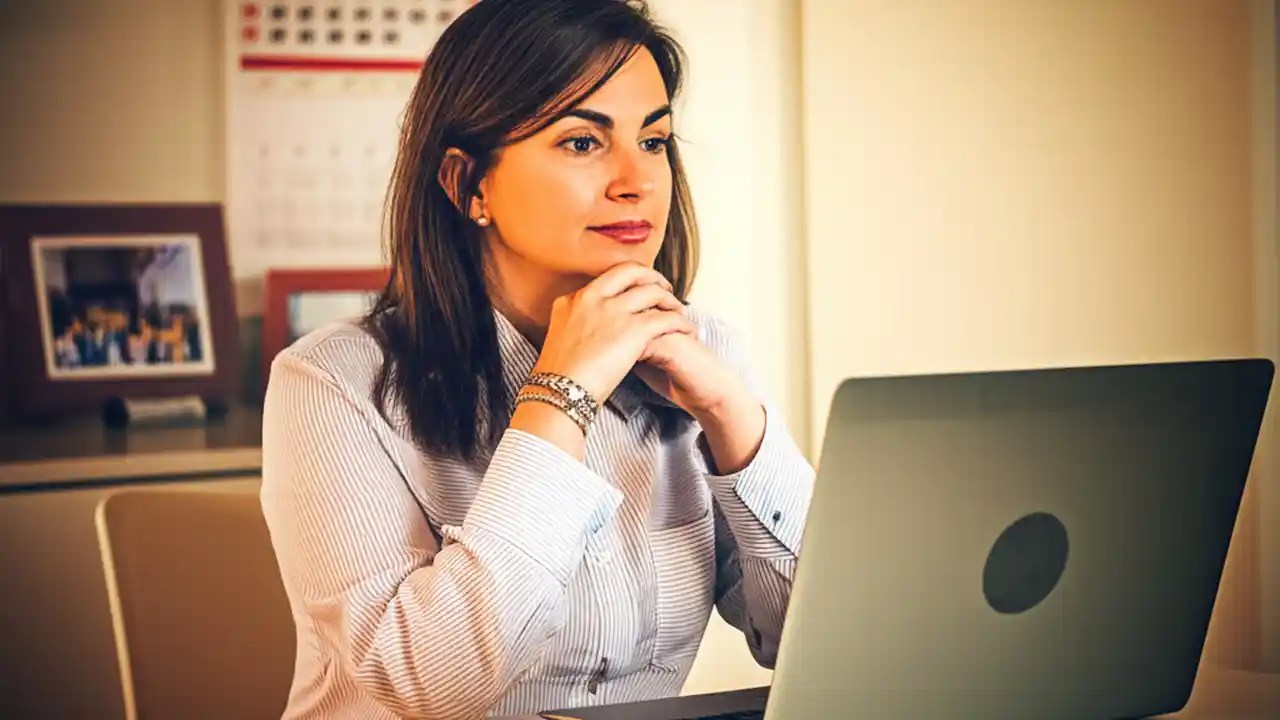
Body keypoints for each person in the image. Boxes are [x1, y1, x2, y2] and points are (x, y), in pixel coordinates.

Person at [260, 1, 815, 718]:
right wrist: (561, 397)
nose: (637, 181)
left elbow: (830, 645)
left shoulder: (703, 358)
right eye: (583, 143)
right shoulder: (331, 385)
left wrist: (738, 421)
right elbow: (430, 685)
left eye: (654, 142)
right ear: (469, 184)